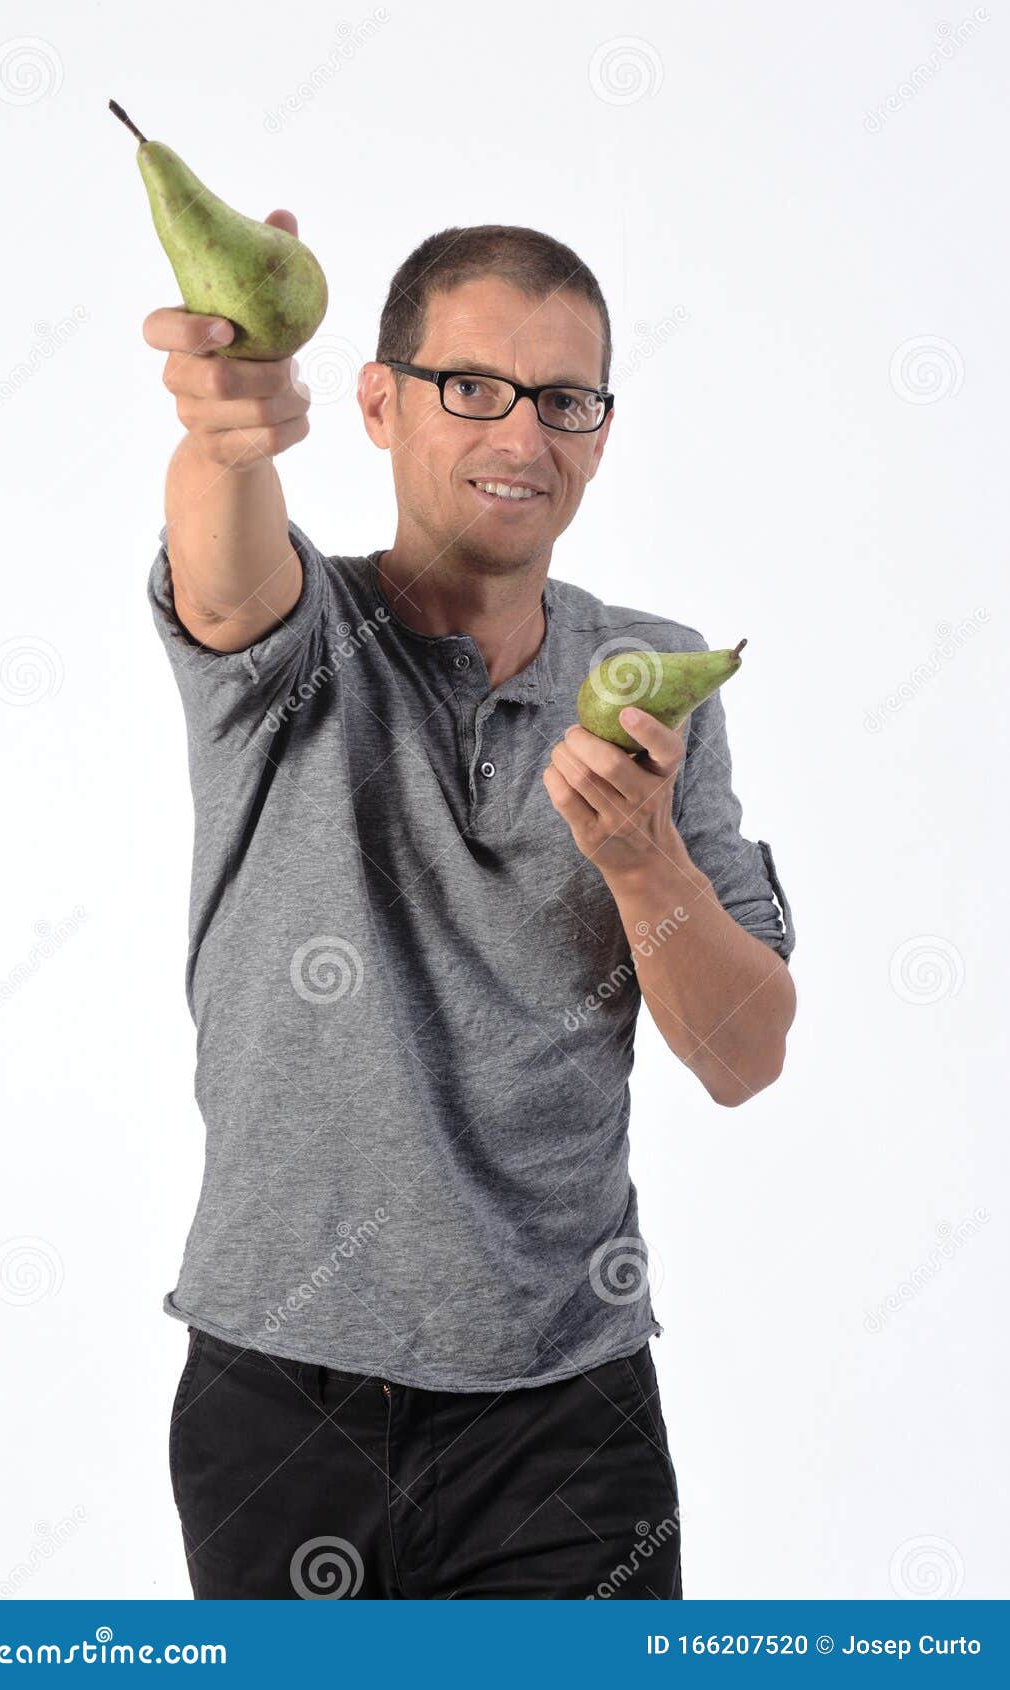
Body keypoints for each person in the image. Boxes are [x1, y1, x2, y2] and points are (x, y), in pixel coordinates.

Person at [143, 218, 797, 1600]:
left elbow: (745, 1054)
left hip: (568, 1412)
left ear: (601, 433)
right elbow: (222, 573)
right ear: (378, 404)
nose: (523, 431)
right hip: (281, 1397)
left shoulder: (659, 677)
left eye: (566, 399)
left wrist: (643, 863)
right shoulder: (304, 637)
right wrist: (227, 431)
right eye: (473, 386)